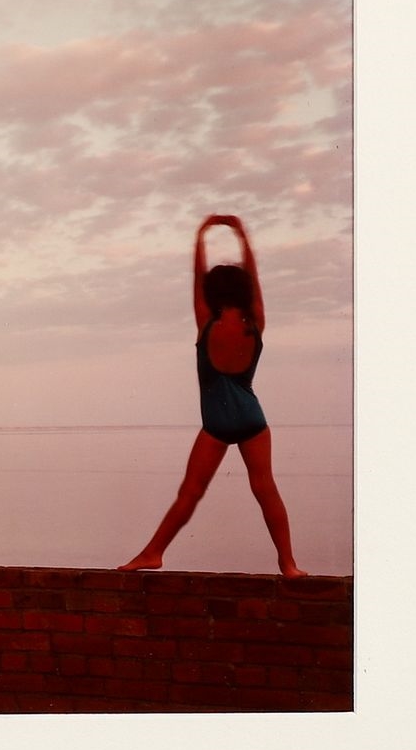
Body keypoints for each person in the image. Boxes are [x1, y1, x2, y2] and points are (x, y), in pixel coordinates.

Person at [120, 214, 304, 578]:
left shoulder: (206, 321)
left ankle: (154, 552)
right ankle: (288, 563)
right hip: (252, 418)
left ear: (212, 294)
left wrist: (202, 235)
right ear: (244, 292)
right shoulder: (256, 323)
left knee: (190, 493)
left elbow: (196, 280)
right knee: (266, 490)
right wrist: (242, 234)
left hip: (216, 423)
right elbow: (255, 281)